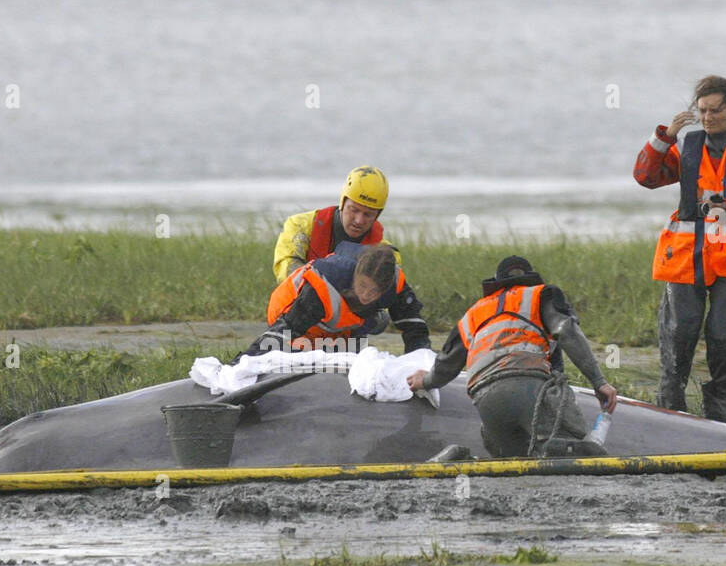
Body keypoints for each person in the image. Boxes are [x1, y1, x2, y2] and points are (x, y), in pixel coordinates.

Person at [635, 75, 726, 423]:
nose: (708, 117)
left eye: (716, 110)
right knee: (680, 331)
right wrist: (665, 137)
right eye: (702, 111)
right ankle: (670, 415)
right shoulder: (684, 147)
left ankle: (722, 420)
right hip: (686, 256)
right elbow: (645, 176)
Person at [407, 256, 617, 458]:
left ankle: (460, 457)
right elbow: (567, 332)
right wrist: (599, 383)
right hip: (528, 388)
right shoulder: (540, 294)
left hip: (487, 401)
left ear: (496, 283)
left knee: (515, 461)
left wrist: (424, 380)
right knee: (577, 449)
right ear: (531, 278)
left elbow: (446, 366)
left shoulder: (473, 314)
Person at [242, 242, 429, 357]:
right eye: (362, 286)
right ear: (355, 275)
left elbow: (415, 329)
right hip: (290, 313)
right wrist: (243, 362)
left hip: (339, 323)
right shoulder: (323, 288)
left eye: (374, 292)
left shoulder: (395, 285)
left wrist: (421, 364)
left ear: (385, 288)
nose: (366, 295)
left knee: (366, 338)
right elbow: (281, 333)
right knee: (302, 358)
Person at [271, 165, 400, 283]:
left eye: (368, 214)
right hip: (303, 303)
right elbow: (286, 271)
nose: (359, 220)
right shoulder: (300, 226)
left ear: (377, 215)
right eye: (354, 210)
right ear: (343, 203)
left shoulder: (386, 253)